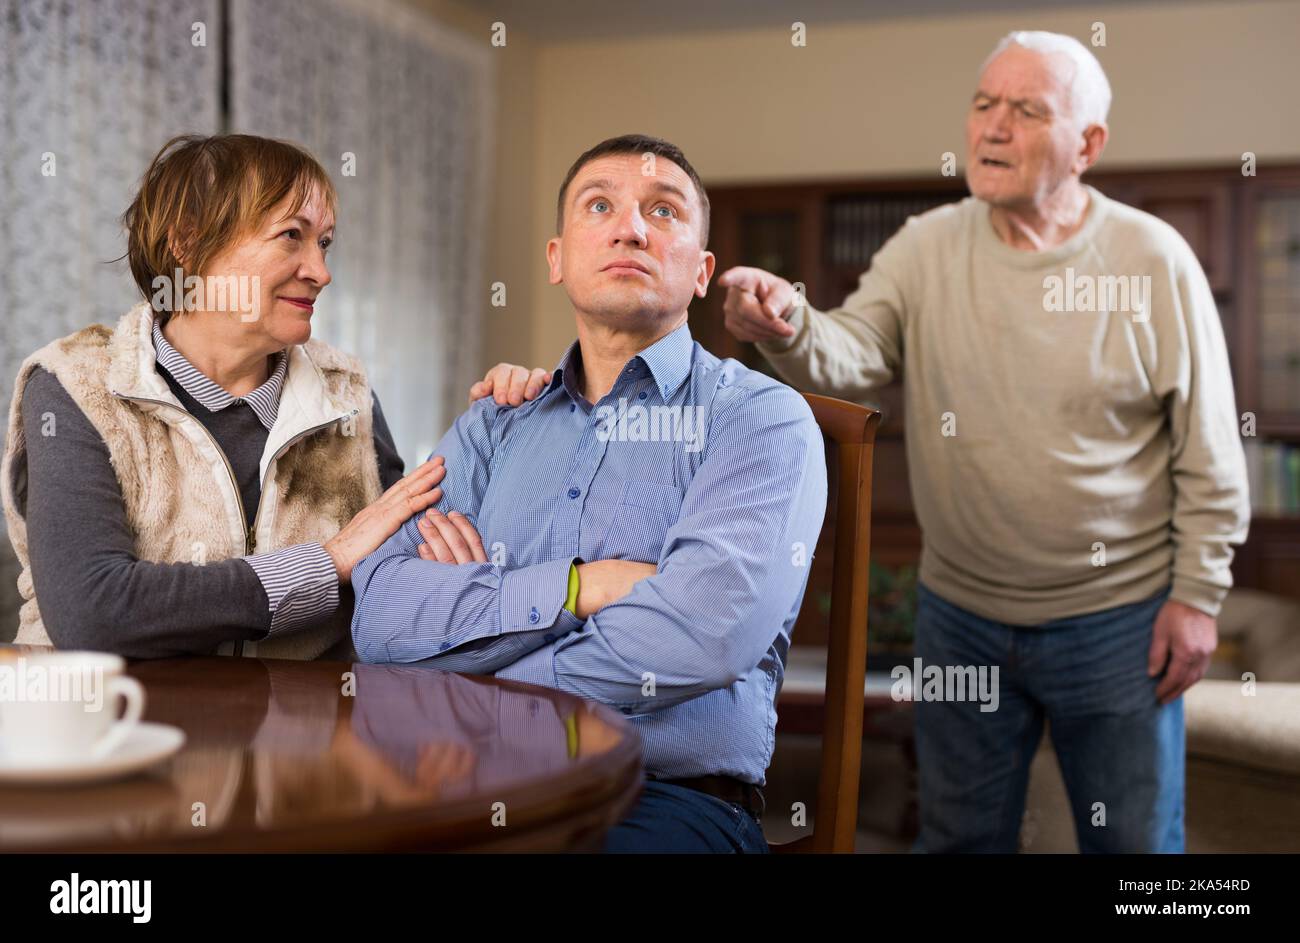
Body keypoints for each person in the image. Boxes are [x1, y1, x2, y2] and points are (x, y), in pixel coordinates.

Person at [717, 31, 1250, 852]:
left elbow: (1209, 446)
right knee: (957, 840)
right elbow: (852, 355)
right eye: (983, 104)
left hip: (1119, 618)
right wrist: (787, 324)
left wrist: (1198, 596)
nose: (992, 127)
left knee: (1138, 848)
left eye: (1027, 111)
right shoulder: (926, 246)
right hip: (960, 613)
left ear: (1088, 145)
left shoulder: (1153, 258)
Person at [352, 134, 827, 853]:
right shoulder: (493, 423)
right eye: (599, 204)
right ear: (556, 259)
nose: (630, 226)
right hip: (464, 783)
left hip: (662, 798)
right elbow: (383, 615)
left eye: (662, 211)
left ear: (702, 273)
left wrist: (483, 673)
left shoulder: (758, 415)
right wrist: (580, 589)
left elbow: (708, 627)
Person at [1, 133, 540, 660]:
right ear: (187, 241)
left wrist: (511, 418)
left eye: (324, 242)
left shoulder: (345, 391)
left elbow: (400, 564)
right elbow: (94, 614)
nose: (321, 272)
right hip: (113, 735)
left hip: (302, 733)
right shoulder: (77, 382)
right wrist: (327, 565)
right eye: (291, 236)